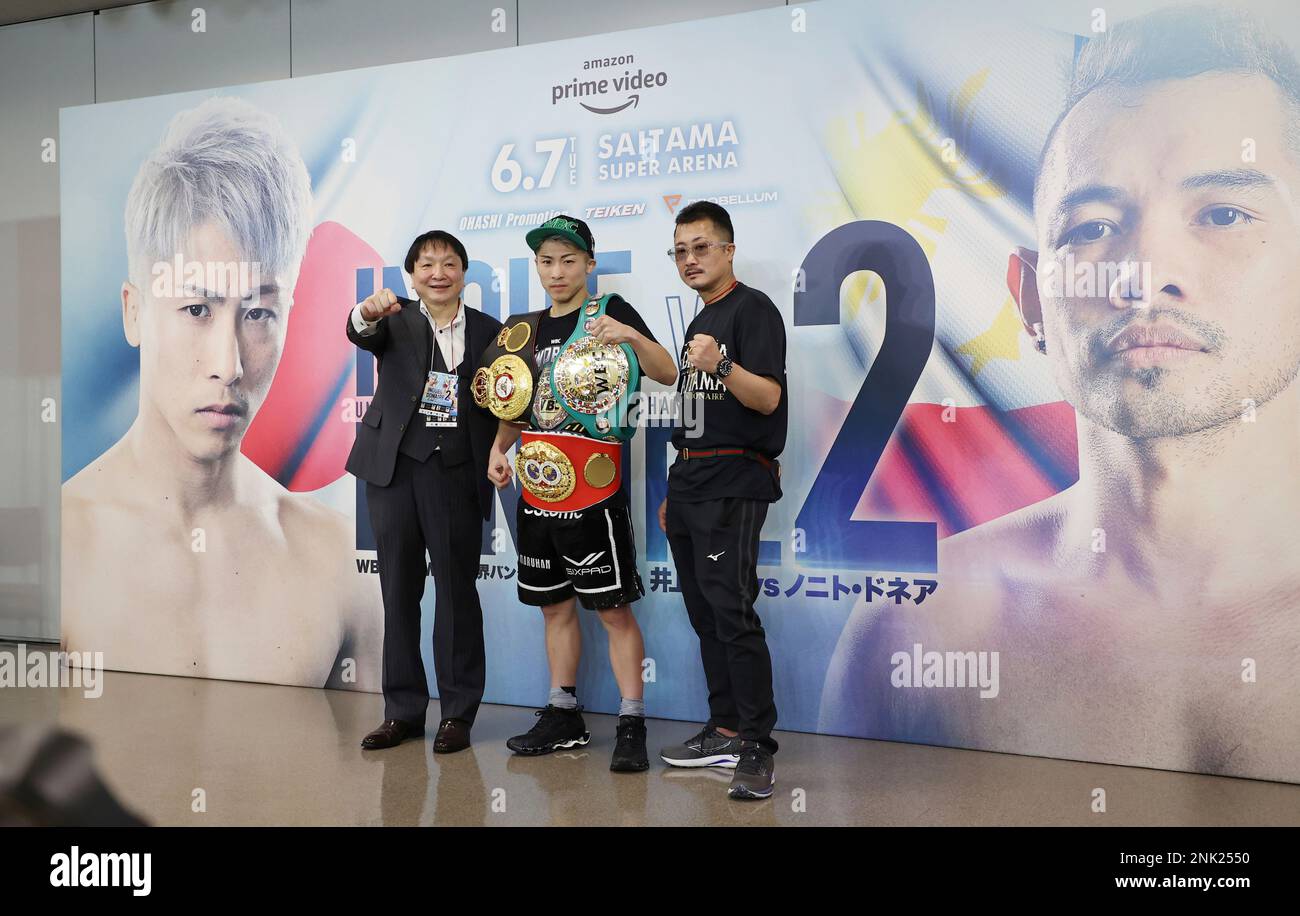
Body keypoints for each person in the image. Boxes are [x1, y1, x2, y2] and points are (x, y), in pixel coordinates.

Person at [821, 6, 1300, 782]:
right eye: (1091, 228)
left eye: (1223, 214)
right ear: (1033, 302)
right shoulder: (919, 630)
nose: (1143, 273)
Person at [62, 97, 380, 691]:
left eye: (258, 312)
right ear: (135, 313)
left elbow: (371, 778)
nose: (229, 365)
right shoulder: (60, 546)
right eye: (196, 308)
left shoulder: (339, 564)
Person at [487, 215, 677, 772]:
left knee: (612, 611)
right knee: (553, 607)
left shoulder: (608, 314)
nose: (557, 272)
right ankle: (563, 714)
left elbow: (667, 372)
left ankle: (631, 721)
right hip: (538, 489)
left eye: (569, 260)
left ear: (590, 264)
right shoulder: (522, 329)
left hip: (595, 489)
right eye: (547, 261)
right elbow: (515, 406)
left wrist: (632, 338)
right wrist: (500, 450)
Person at [347, 230, 503, 752]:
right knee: (399, 591)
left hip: (457, 473)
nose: (439, 272)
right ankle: (403, 712)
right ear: (411, 275)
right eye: (427, 264)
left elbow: (507, 399)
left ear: (464, 272)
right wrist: (365, 313)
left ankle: (457, 713)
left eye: (450, 263)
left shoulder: (491, 332)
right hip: (394, 472)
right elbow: (359, 331)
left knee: (458, 592)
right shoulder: (394, 322)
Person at [657, 201, 788, 800]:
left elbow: (766, 400)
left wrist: (723, 361)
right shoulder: (698, 320)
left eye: (701, 247)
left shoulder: (751, 309)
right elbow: (694, 414)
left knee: (732, 611)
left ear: (729, 250)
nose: (690, 259)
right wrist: (672, 484)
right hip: (691, 482)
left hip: (734, 481)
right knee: (705, 612)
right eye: (681, 250)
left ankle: (757, 748)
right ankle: (726, 727)